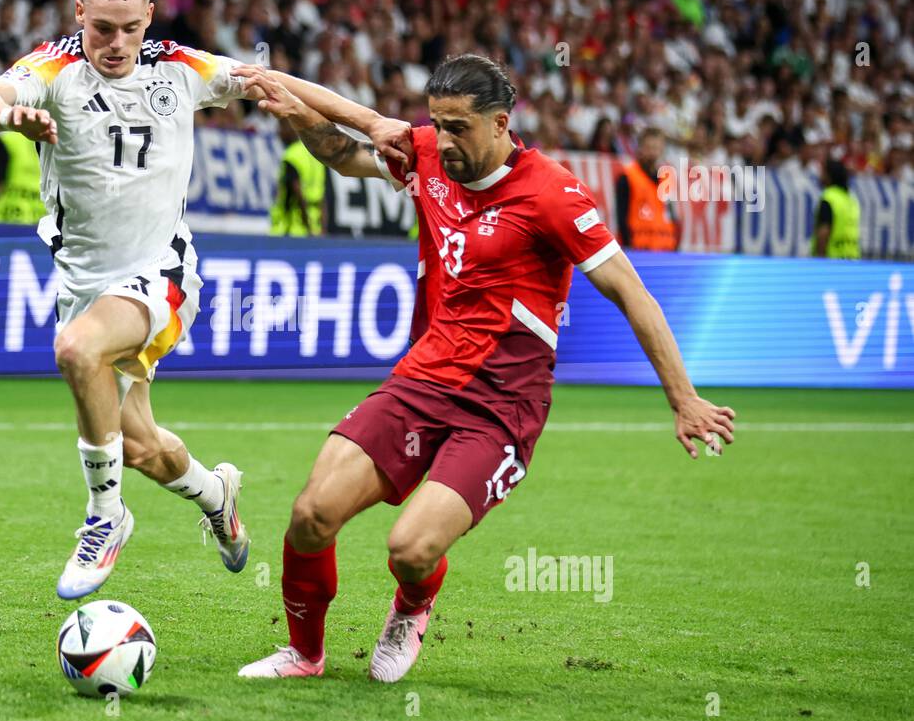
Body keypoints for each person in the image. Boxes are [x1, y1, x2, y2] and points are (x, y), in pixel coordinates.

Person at [234, 56, 737, 682]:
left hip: (501, 407)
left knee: (410, 549)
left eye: (459, 128)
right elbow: (345, 146)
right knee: (311, 514)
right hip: (419, 382)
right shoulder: (427, 156)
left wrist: (683, 398)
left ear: (501, 123)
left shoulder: (551, 192)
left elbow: (632, 292)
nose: (443, 141)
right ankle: (305, 655)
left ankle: (410, 610)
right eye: (437, 125)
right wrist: (289, 105)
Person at [0, 0, 261, 599]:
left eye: (129, 27)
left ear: (149, 16)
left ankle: (105, 516)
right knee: (144, 446)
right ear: (80, 15)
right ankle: (216, 494)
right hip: (84, 281)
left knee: (75, 348)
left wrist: (370, 122)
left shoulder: (179, 66)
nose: (115, 42)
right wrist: (12, 116)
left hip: (160, 271)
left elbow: (272, 79)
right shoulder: (53, 66)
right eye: (102, 28)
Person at [615, 127, 680, 251]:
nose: (653, 153)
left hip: (665, 249)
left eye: (657, 148)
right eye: (649, 148)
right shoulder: (627, 177)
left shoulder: (665, 179)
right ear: (640, 149)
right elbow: (621, 218)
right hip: (639, 250)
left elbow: (671, 215)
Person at [270, 115, 325, 236]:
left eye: (282, 126)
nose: (279, 131)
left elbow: (297, 193)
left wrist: (307, 226)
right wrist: (322, 230)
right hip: (315, 227)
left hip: (292, 229)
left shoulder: (291, 155)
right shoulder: (314, 154)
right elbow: (322, 197)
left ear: (292, 127)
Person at [813, 158, 861, 258]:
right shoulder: (851, 198)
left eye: (823, 172)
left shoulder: (829, 198)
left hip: (832, 261)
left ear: (829, 176)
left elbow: (824, 232)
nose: (819, 175)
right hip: (852, 258)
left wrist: (819, 260)